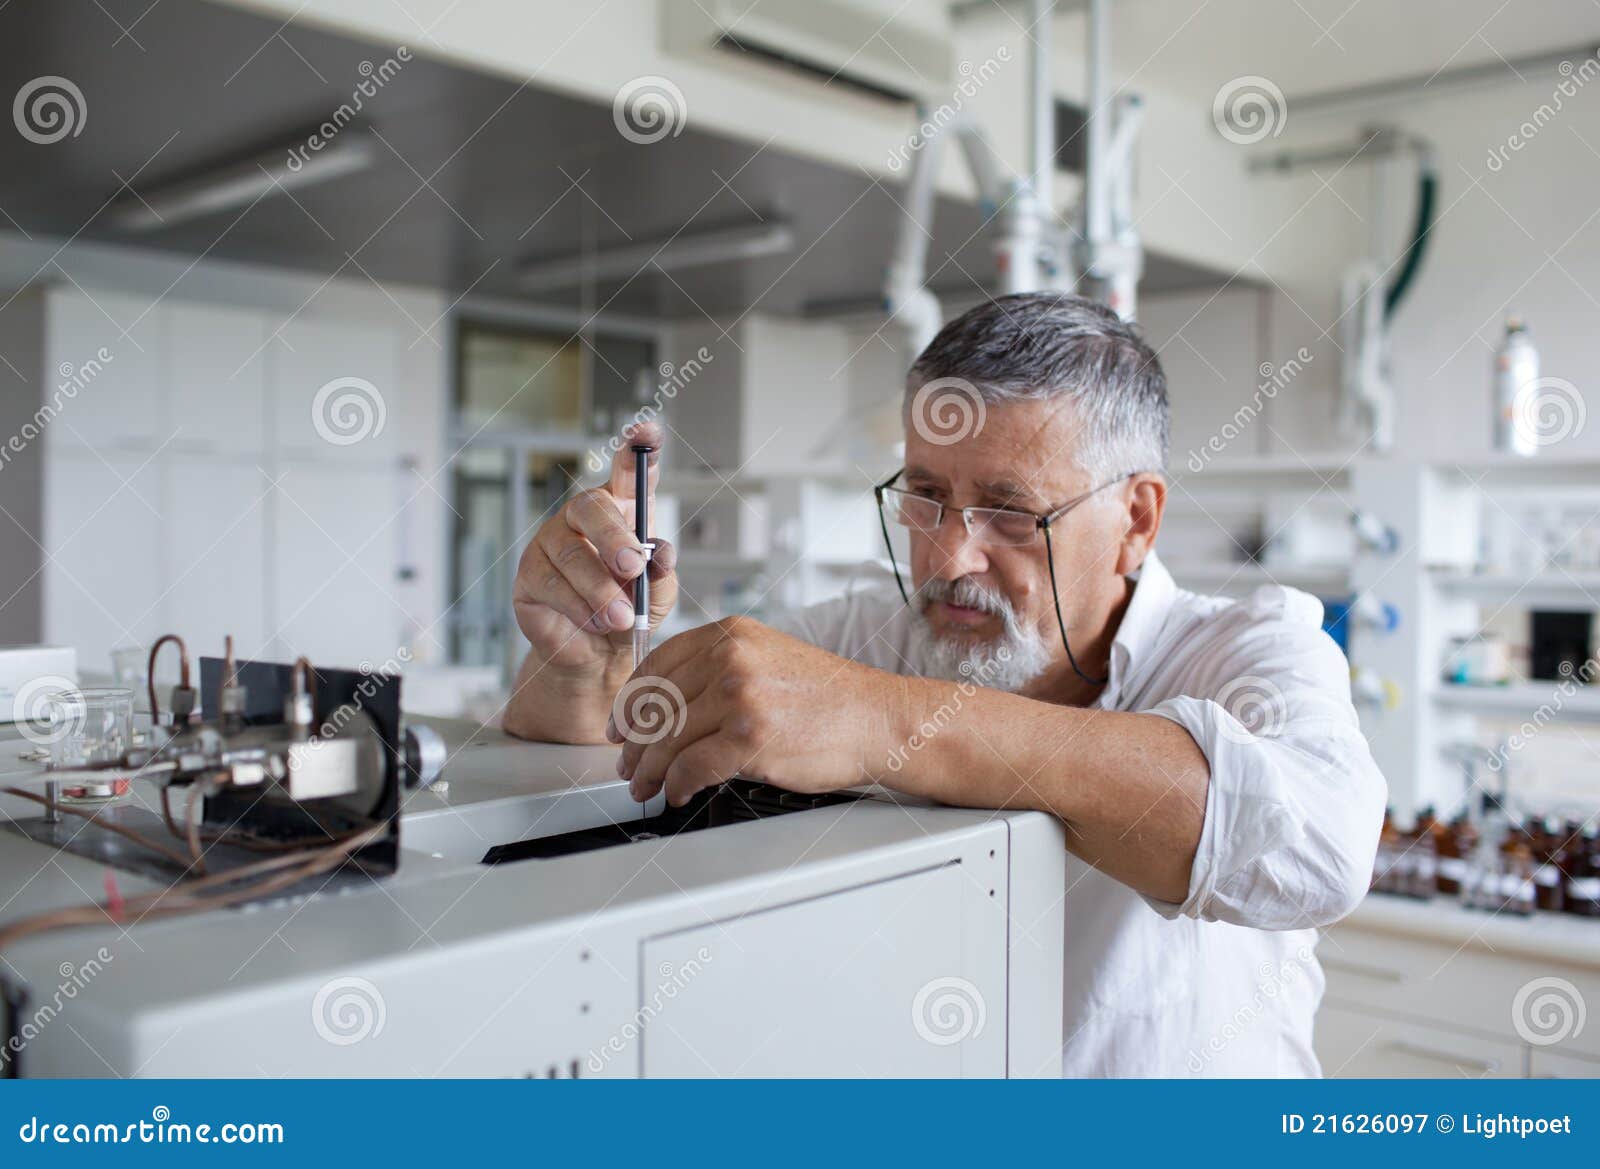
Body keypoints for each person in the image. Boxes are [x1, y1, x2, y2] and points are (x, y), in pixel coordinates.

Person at [504, 292, 1386, 1076]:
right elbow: (617, 756)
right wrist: (583, 666)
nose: (951, 555)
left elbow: (1317, 846)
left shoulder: (1245, 647)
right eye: (925, 496)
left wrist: (879, 720)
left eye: (1010, 511)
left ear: (1136, 519)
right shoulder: (865, 635)